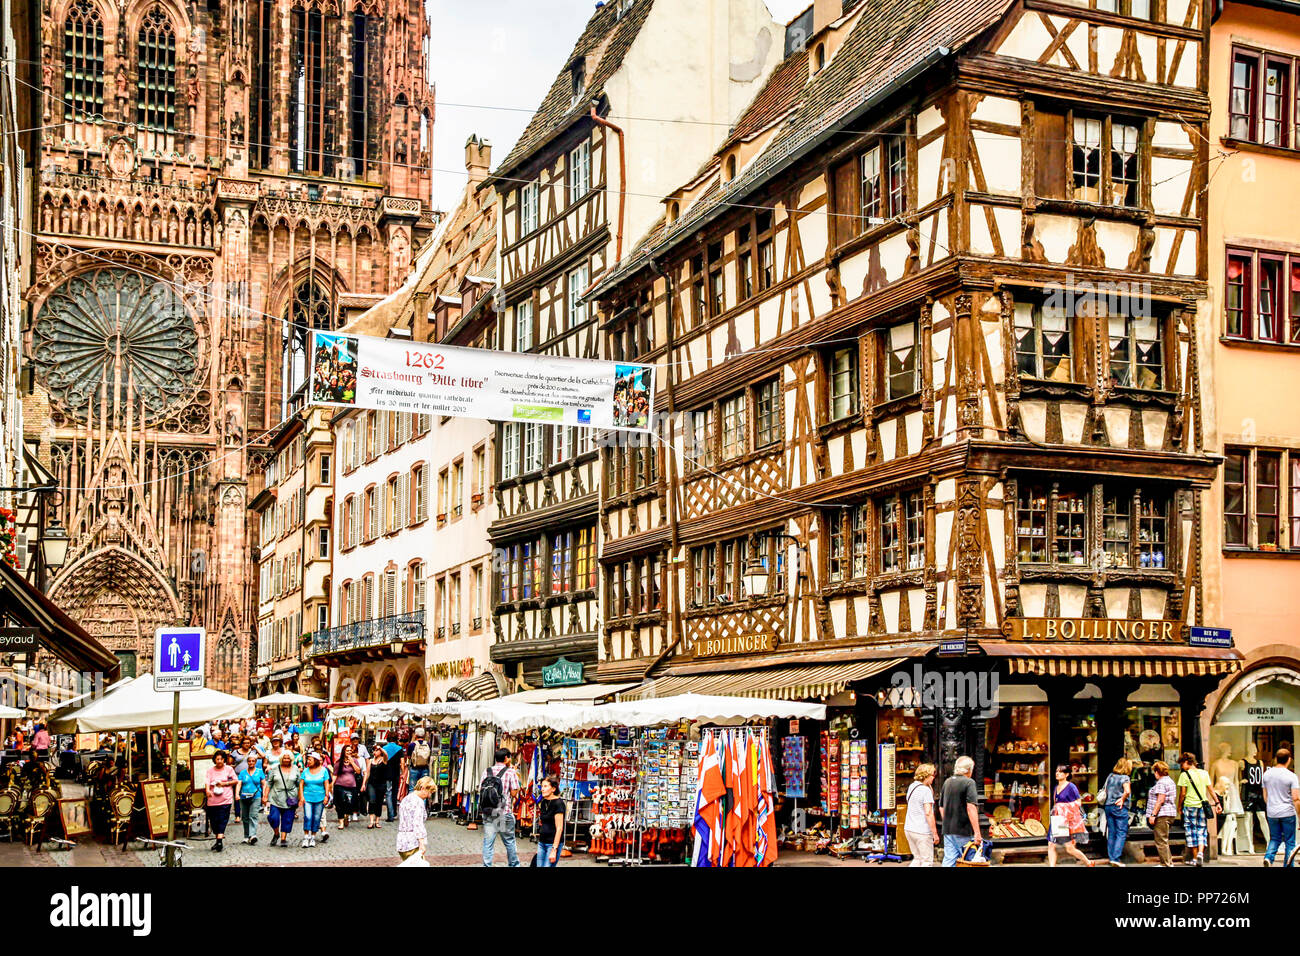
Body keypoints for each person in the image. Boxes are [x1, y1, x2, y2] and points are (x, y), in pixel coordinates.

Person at [1176, 752, 1221, 866]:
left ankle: (1195, 858)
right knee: (1202, 830)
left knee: (1191, 832)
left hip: (1190, 806)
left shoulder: (1184, 775)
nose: (1181, 766)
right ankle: (1201, 853)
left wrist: (1179, 806)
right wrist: (1217, 802)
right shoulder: (1204, 773)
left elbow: (1183, 794)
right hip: (1202, 806)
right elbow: (1211, 790)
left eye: (1182, 763)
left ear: (1187, 762)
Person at [938, 755, 982, 867]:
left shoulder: (947, 782)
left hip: (948, 829)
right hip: (963, 830)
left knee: (949, 860)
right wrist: (977, 832)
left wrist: (947, 822)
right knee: (970, 860)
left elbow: (941, 807)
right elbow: (971, 807)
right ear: (969, 770)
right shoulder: (969, 782)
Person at [481, 747, 522, 867]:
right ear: (506, 758)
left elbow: (481, 790)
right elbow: (514, 793)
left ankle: (487, 865)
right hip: (504, 812)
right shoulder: (510, 772)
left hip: (488, 812)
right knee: (509, 841)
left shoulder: (487, 771)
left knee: (488, 842)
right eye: (509, 757)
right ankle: (514, 865)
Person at [1262, 748, 1300, 867]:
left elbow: (1265, 796)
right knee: (1290, 842)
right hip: (1288, 813)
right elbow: (1296, 798)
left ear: (1276, 759)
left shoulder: (1266, 774)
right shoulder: (1291, 776)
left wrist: (1271, 806)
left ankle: (1268, 857)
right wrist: (1299, 815)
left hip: (1272, 812)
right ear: (1289, 760)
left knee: (1275, 838)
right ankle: (1288, 865)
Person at [1047, 766, 1093, 867]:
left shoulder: (1071, 787)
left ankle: (1088, 862)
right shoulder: (1056, 787)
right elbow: (1056, 803)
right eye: (1056, 771)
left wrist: (1064, 806)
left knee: (1069, 848)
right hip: (1057, 819)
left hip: (1067, 820)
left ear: (1067, 774)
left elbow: (1078, 802)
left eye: (1060, 772)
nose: (1057, 773)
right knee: (1051, 845)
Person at [904, 763, 939, 867]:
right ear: (926, 775)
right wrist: (935, 833)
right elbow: (928, 813)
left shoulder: (912, 786)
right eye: (932, 775)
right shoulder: (925, 791)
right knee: (926, 861)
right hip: (922, 831)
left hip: (909, 828)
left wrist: (928, 784)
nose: (934, 777)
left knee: (917, 858)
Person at [204, 750, 239, 852]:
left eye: (221, 759)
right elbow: (207, 781)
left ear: (224, 760)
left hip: (225, 799)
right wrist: (207, 790)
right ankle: (217, 839)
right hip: (213, 799)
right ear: (214, 759)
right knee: (214, 821)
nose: (219, 761)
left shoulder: (228, 769)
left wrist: (224, 784)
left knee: (223, 819)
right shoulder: (210, 770)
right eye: (217, 759)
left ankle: (219, 841)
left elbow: (235, 780)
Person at [396, 775, 437, 863]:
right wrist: (421, 843)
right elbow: (417, 823)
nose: (429, 795)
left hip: (402, 841)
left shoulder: (406, 799)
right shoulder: (418, 802)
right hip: (412, 843)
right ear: (423, 788)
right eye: (429, 792)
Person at [1100, 757, 1132, 866]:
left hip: (1108, 806)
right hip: (1119, 807)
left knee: (1112, 832)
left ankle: (1111, 857)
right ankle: (1116, 858)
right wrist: (1122, 799)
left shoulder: (1110, 776)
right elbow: (1127, 791)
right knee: (1121, 832)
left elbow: (1105, 790)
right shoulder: (1125, 778)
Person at [264, 752, 301, 848]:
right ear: (281, 759)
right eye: (284, 758)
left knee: (288, 818)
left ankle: (283, 838)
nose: (286, 760)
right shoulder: (275, 769)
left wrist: (300, 797)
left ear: (291, 759)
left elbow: (299, 784)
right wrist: (265, 796)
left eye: (288, 758)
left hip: (290, 797)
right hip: (275, 797)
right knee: (272, 817)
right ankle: (276, 833)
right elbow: (269, 783)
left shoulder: (296, 769)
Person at [1146, 761, 1178, 866]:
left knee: (1161, 840)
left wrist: (1153, 815)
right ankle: (1168, 862)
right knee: (1164, 839)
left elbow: (1160, 800)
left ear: (1157, 772)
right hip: (1170, 812)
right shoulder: (1170, 781)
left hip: (1162, 814)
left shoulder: (1161, 783)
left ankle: (1166, 864)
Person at [299, 752, 332, 848]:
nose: (308, 761)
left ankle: (313, 837)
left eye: (310, 759)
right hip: (308, 797)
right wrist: (301, 796)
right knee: (308, 816)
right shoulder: (305, 771)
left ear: (316, 760)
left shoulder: (324, 770)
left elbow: (326, 784)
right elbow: (301, 784)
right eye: (308, 759)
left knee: (317, 817)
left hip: (320, 798)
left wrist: (326, 796)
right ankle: (306, 837)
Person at [536, 775, 566, 867]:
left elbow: (559, 828)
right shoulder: (544, 802)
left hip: (552, 844)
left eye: (545, 786)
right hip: (542, 842)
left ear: (553, 789)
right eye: (542, 786)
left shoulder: (558, 803)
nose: (542, 789)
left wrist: (554, 849)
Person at [237, 753, 266, 845]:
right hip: (244, 796)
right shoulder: (242, 773)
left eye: (253, 761)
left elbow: (264, 784)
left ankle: (253, 835)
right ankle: (246, 836)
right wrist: (237, 794)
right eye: (249, 761)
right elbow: (239, 784)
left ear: (255, 762)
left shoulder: (259, 771)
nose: (251, 763)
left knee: (253, 815)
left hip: (256, 796)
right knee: (245, 817)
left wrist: (264, 795)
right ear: (247, 762)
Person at [334, 743, 363, 829]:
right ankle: (341, 822)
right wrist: (331, 785)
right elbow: (335, 774)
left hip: (351, 786)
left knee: (350, 803)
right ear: (343, 752)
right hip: (339, 785)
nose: (349, 752)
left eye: (350, 750)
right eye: (347, 750)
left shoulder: (355, 760)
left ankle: (347, 815)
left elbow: (358, 771)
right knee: (340, 804)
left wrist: (352, 762)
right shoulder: (339, 762)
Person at [364, 746, 389, 829]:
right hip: (372, 784)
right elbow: (367, 773)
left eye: (376, 750)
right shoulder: (371, 761)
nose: (375, 752)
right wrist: (364, 783)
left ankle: (377, 821)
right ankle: (371, 821)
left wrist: (381, 748)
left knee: (379, 802)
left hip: (381, 784)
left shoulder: (383, 760)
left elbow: (386, 754)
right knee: (371, 801)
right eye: (374, 750)